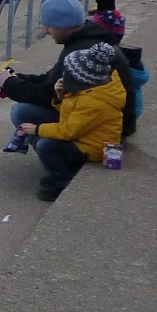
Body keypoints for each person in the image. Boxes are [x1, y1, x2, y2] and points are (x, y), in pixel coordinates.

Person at [0, 0, 136, 150]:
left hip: (105, 131)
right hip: (108, 118)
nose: (46, 31)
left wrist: (10, 84)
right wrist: (15, 78)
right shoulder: (87, 38)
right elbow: (52, 78)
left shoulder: (81, 50)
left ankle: (56, 155)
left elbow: (46, 94)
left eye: (48, 26)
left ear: (63, 25)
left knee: (22, 112)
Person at [15, 43, 125, 201]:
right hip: (83, 137)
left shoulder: (94, 102)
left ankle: (62, 179)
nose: (64, 76)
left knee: (45, 145)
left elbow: (69, 131)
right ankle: (57, 170)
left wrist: (37, 129)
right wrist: (60, 97)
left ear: (81, 79)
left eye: (68, 74)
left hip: (93, 146)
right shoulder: (90, 90)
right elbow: (72, 116)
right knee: (42, 140)